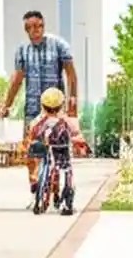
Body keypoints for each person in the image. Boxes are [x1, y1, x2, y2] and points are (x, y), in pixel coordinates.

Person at [0, 10, 78, 193]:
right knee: (32, 148)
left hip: (55, 107)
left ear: (43, 25)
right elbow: (17, 80)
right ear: (26, 29)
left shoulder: (59, 45)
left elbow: (71, 75)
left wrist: (72, 105)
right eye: (31, 27)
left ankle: (55, 188)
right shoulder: (22, 51)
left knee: (58, 147)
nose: (35, 30)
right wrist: (7, 105)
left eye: (39, 26)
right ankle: (35, 184)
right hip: (33, 107)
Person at [27, 87, 78, 215]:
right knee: (67, 172)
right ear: (62, 105)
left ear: (43, 106)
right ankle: (67, 203)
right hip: (63, 151)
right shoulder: (65, 121)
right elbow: (75, 132)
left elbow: (32, 130)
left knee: (44, 166)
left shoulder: (41, 121)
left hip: (48, 150)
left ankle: (38, 197)